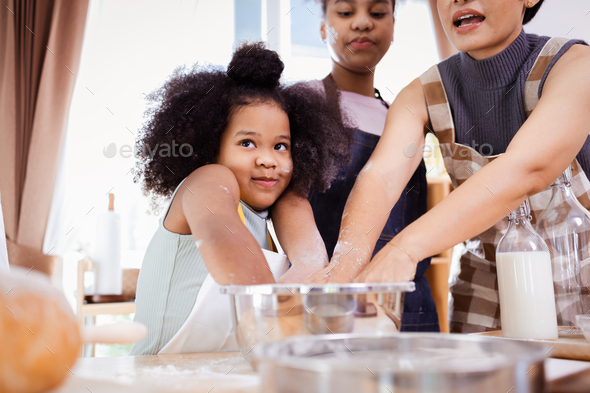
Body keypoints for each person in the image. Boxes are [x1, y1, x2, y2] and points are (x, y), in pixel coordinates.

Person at [312, 0, 590, 334]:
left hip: (581, 278)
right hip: (484, 295)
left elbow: (527, 169)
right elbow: (381, 177)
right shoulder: (421, 95)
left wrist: (404, 249)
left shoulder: (574, 66)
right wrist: (341, 276)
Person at [129, 42, 349, 355]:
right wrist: (285, 318)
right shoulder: (208, 182)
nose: (268, 160)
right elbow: (226, 244)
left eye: (280, 146)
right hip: (158, 379)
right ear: (211, 146)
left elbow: (313, 263)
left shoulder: (282, 204)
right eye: (247, 143)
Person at [273, 0, 442, 332]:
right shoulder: (301, 102)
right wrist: (313, 264)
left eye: (378, 13)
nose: (363, 23)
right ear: (322, 26)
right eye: (346, 12)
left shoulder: (405, 116)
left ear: (393, 26)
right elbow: (282, 194)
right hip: (327, 295)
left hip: (409, 303)